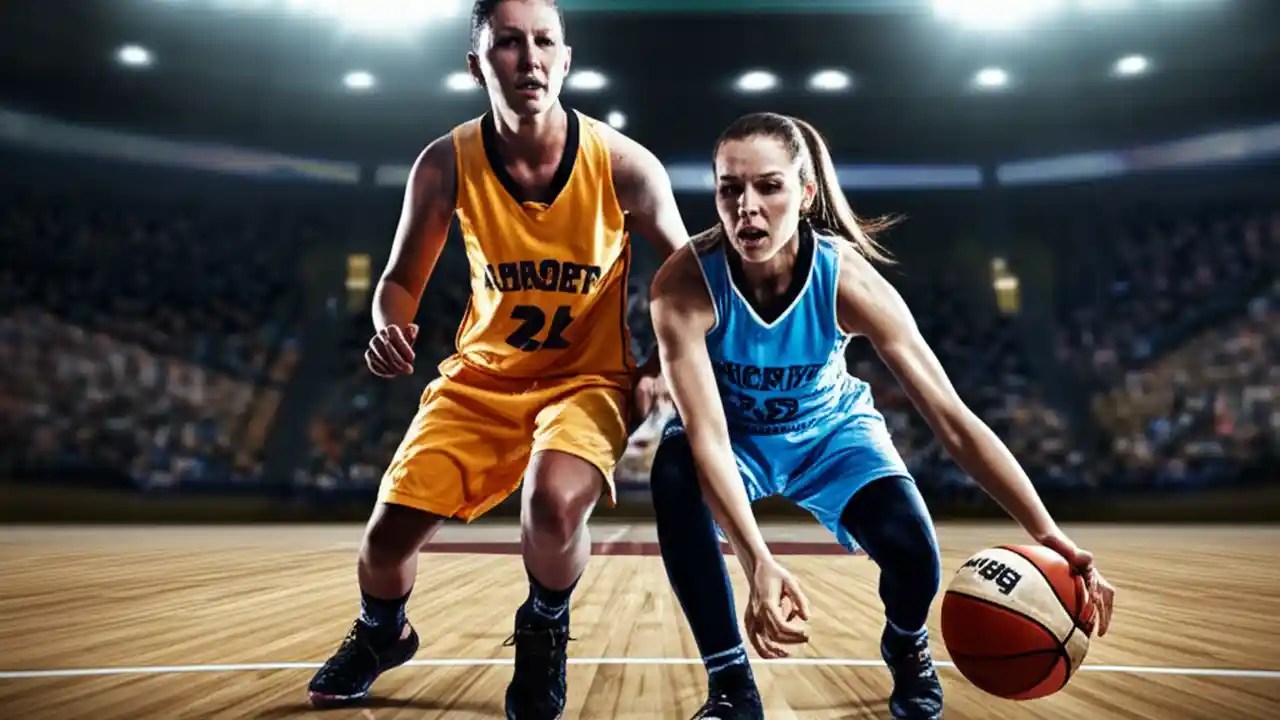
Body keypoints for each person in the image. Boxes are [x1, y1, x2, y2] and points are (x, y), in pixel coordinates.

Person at [646, 112, 1116, 719]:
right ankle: (732, 685)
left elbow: (951, 419)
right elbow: (707, 435)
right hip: (734, 437)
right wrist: (757, 560)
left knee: (916, 555)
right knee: (674, 471)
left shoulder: (848, 280)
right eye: (729, 188)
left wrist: (1048, 533)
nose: (747, 208)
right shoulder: (682, 284)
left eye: (769, 186)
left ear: (805, 192)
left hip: (830, 436)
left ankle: (906, 643)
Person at [305, 1, 688, 717]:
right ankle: (384, 632)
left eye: (545, 42)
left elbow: (691, 277)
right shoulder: (446, 161)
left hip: (587, 379)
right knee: (384, 546)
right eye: (509, 43)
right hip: (482, 379)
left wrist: (662, 365)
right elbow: (398, 282)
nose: (530, 58)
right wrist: (391, 323)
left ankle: (545, 626)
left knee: (549, 504)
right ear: (477, 63)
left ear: (567, 60)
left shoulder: (626, 165)